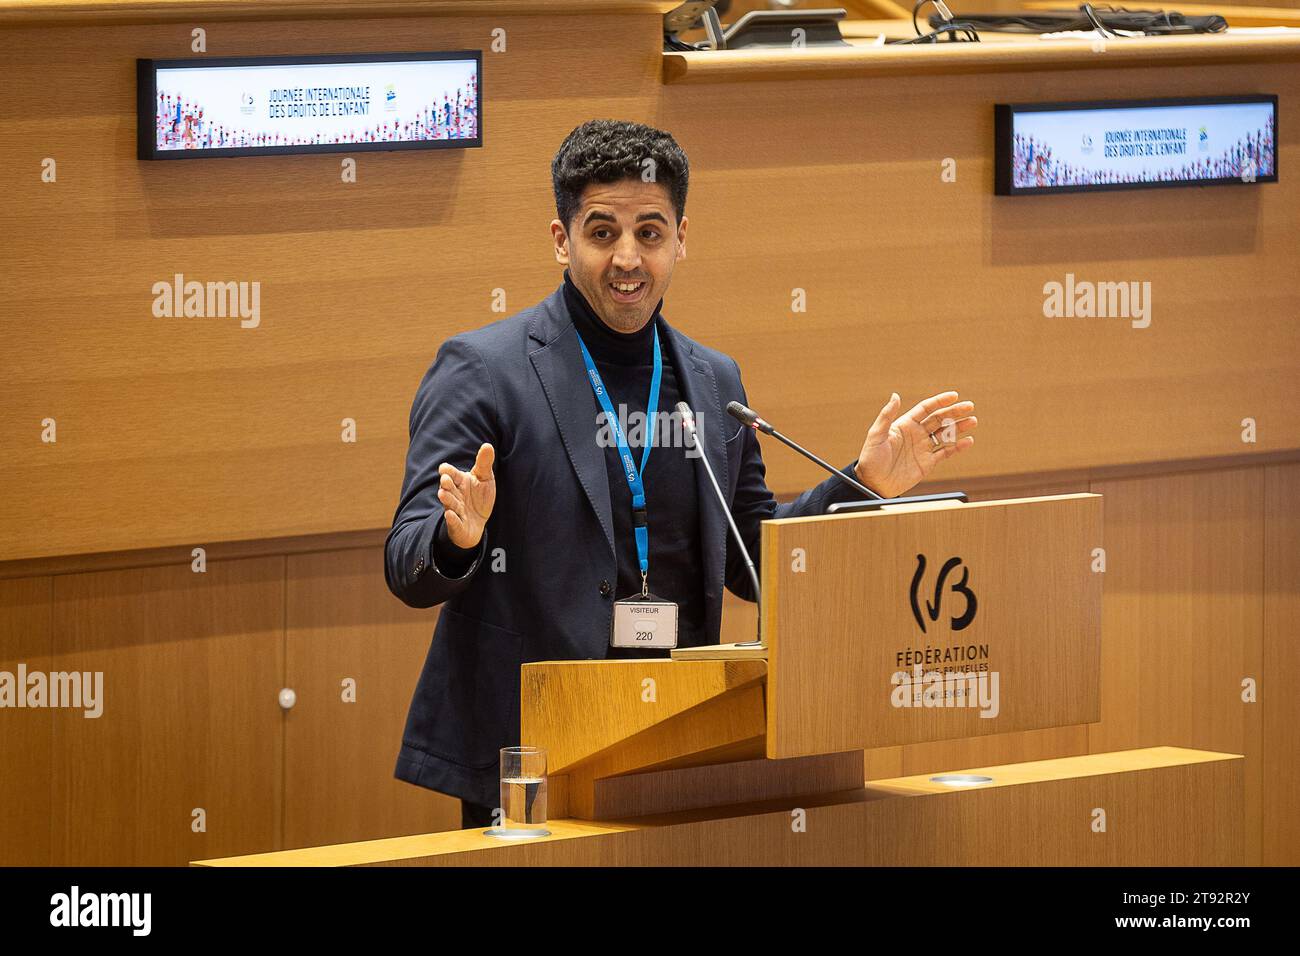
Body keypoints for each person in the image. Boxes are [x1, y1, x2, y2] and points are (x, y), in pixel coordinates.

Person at [384, 119, 977, 830]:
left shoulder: (711, 379)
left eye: (650, 233)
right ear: (560, 238)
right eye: (602, 233)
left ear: (681, 239)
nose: (627, 257)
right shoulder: (485, 370)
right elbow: (407, 565)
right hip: (532, 744)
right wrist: (459, 537)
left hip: (682, 731)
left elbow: (755, 558)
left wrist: (864, 484)